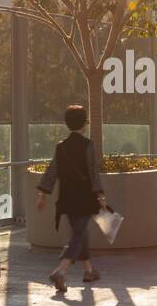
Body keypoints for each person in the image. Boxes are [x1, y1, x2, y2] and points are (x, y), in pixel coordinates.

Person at [36, 104, 106, 294]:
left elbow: (52, 172)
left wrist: (42, 195)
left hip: (66, 197)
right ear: (84, 123)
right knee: (78, 235)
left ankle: (88, 271)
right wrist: (100, 195)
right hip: (85, 198)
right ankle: (61, 270)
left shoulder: (61, 147)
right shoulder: (88, 145)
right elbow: (93, 172)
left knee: (80, 233)